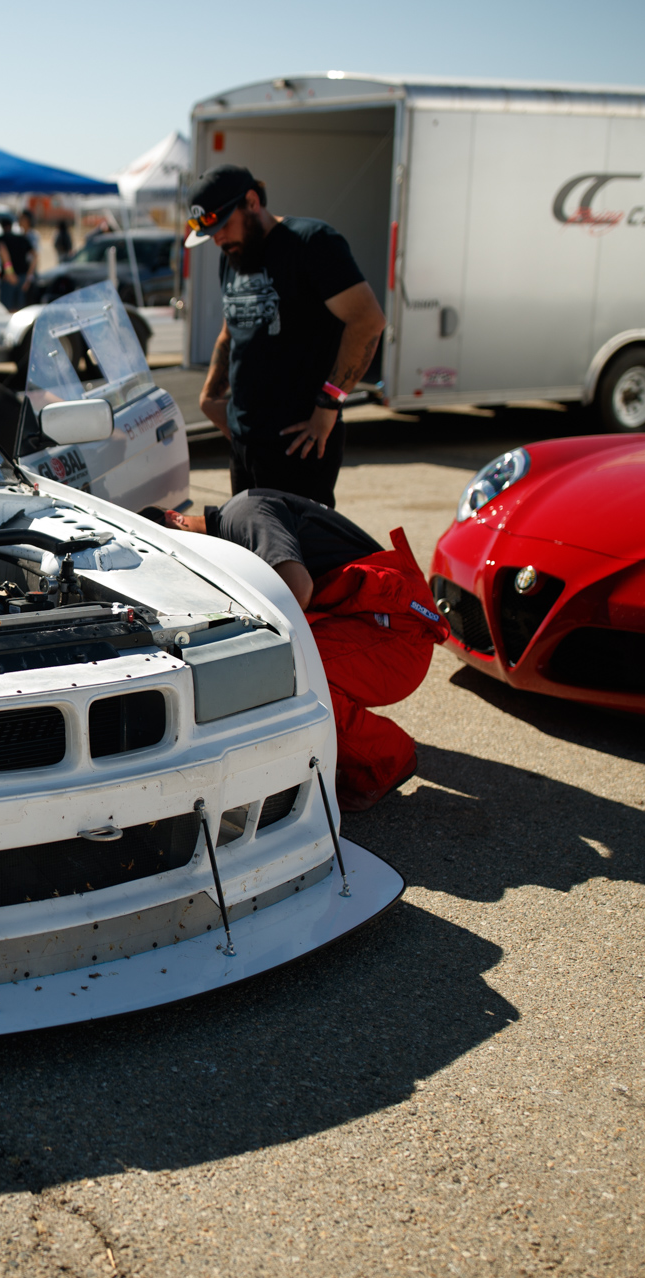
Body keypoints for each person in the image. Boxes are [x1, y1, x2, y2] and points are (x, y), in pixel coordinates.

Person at [149, 490, 448, 811]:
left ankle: (386, 759)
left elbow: (298, 590)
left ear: (174, 517)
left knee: (282, 667)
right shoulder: (237, 525)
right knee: (268, 660)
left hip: (400, 641)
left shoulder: (242, 514)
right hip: (377, 629)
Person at [187, 164, 386, 509]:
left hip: (299, 442)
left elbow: (367, 321)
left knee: (297, 553)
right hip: (244, 441)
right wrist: (208, 398)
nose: (218, 239)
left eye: (223, 226)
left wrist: (329, 405)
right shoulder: (234, 254)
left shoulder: (312, 242)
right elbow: (229, 329)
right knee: (248, 549)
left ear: (251, 201)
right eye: (211, 232)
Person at [0, 215, 35, 310]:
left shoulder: (1, 240)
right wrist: (29, 276)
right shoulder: (22, 239)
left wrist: (10, 273)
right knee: (20, 309)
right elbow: (35, 256)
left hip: (9, 278)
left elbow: (4, 254)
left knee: (7, 309)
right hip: (23, 277)